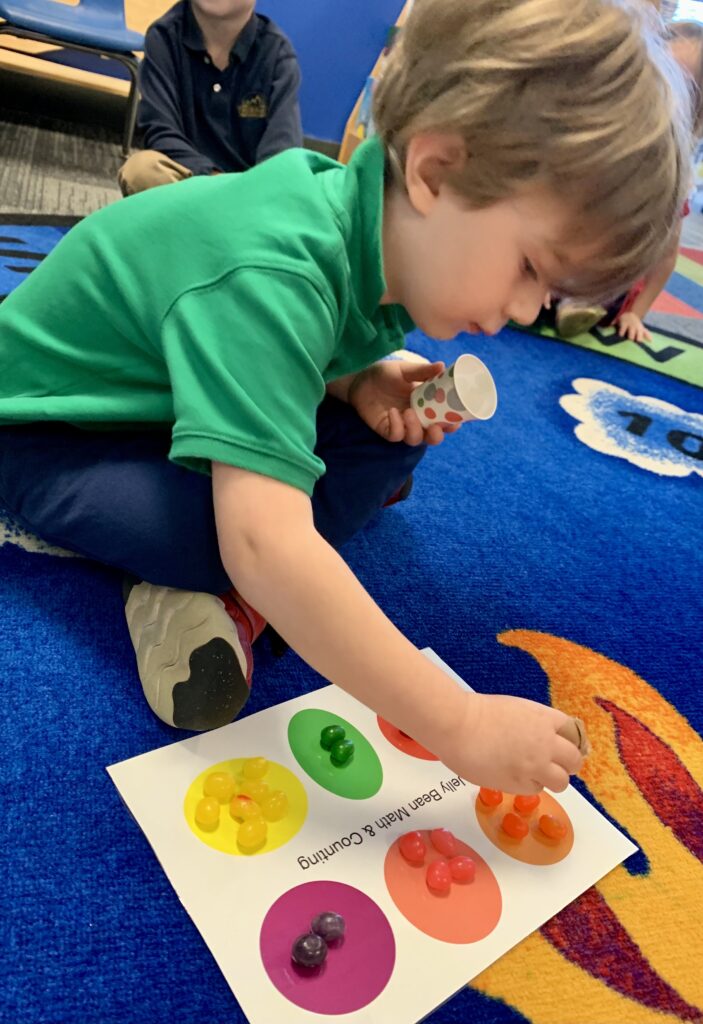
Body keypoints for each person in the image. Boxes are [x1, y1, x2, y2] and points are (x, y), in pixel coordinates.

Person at [0, 0, 691, 793]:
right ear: (434, 171)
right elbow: (264, 535)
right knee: (235, 542)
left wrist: (356, 377)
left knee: (391, 436)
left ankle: (242, 558)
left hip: (168, 395)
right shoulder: (276, 268)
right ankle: (192, 583)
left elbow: (296, 346)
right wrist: (457, 722)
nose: (530, 313)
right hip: (50, 428)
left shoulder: (360, 230)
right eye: (532, 270)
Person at [553, 19, 703, 342]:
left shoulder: (674, 176)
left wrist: (638, 313)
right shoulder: (602, 137)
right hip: (562, 252)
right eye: (655, 79)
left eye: (681, 90)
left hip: (607, 278)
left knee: (603, 287)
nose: (662, 97)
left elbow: (665, 255)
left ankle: (576, 299)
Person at [118, 0, 302, 196]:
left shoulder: (277, 53)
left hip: (250, 197)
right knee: (141, 170)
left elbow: (282, 152)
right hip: (188, 185)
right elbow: (162, 132)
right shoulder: (164, 37)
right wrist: (213, 183)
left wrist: (247, 194)